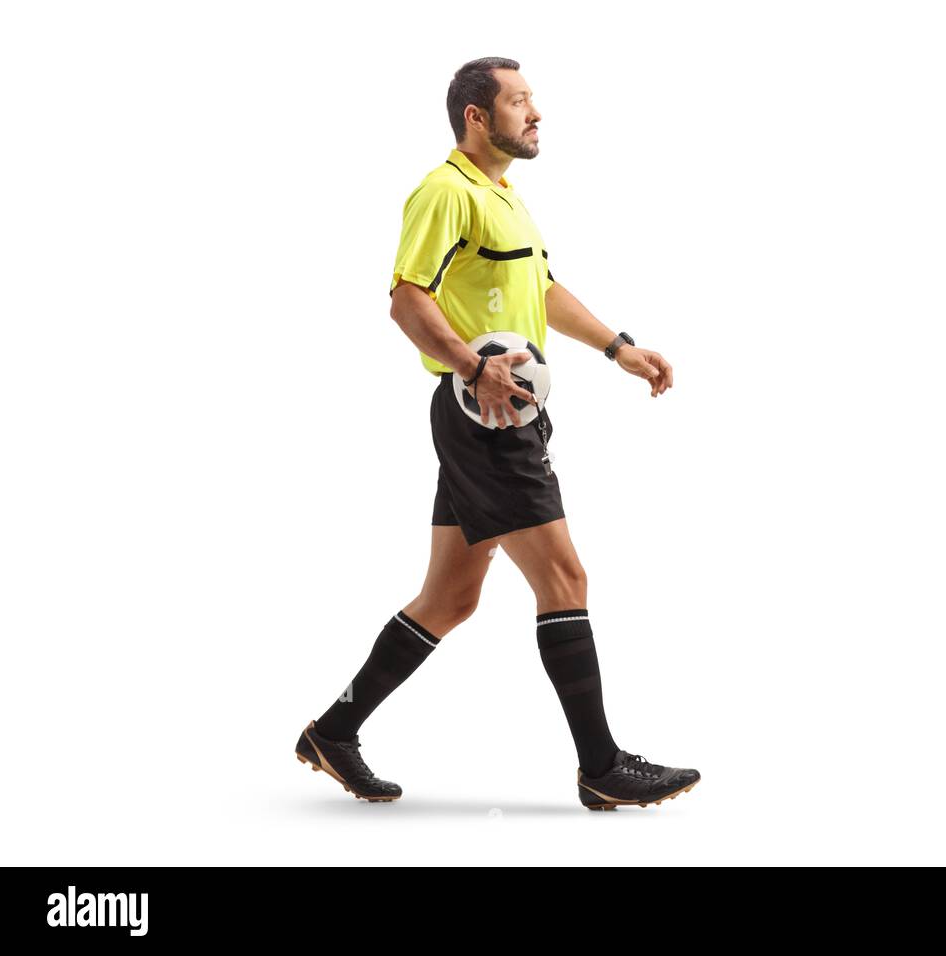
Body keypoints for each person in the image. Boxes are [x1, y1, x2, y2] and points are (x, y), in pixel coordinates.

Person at [295, 57, 700, 811]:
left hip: (496, 409)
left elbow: (540, 289)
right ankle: (602, 767)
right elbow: (406, 299)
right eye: (519, 102)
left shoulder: (504, 197)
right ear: (477, 117)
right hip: (486, 415)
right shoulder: (446, 193)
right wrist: (470, 368)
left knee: (449, 599)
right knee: (565, 580)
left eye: (532, 101)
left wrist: (619, 348)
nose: (535, 113)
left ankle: (334, 731)